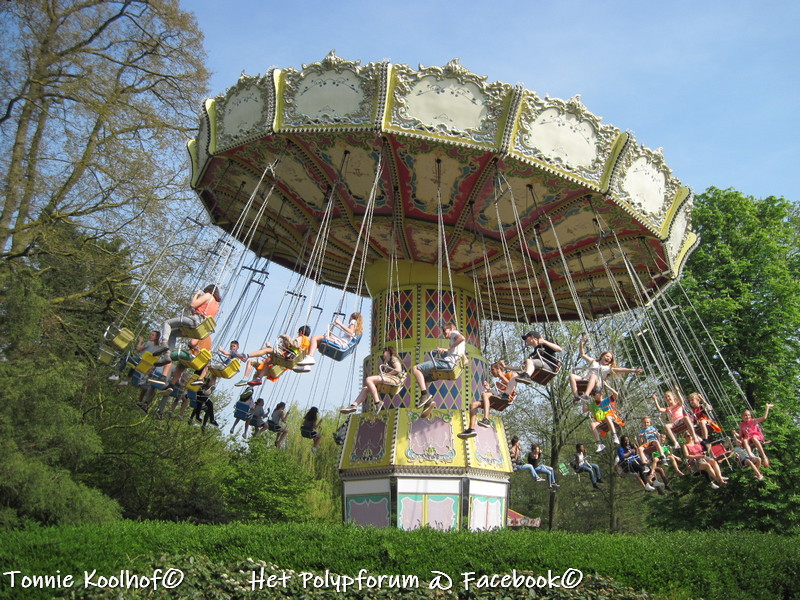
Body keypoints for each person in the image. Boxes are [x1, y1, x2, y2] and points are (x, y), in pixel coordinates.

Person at [569, 335, 643, 403]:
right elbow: (582, 354)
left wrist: (633, 370)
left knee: (593, 376)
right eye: (607, 356)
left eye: (610, 358)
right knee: (571, 375)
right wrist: (581, 343)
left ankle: (586, 395)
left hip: (597, 384)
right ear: (602, 356)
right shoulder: (593, 361)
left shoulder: (608, 368)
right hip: (586, 379)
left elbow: (621, 369)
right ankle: (576, 396)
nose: (608, 359)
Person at [413, 321, 466, 412]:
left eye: (445, 331)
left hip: (448, 364)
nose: (444, 335)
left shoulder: (454, 333)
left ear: (451, 329)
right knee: (424, 379)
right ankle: (428, 402)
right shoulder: (460, 347)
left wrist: (448, 349)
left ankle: (424, 394)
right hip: (451, 366)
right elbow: (465, 359)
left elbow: (462, 338)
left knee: (416, 368)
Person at [154, 285, 221, 356]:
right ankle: (167, 355)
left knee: (167, 323)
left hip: (195, 320)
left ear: (208, 290)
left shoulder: (208, 295)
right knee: (172, 333)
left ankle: (164, 343)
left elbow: (193, 304)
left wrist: (197, 294)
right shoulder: (217, 306)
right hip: (200, 328)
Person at [459, 361, 514, 439]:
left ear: (498, 369)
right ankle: (471, 429)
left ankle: (486, 419)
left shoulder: (508, 375)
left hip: (505, 397)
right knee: (473, 405)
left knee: (485, 395)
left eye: (492, 370)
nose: (492, 372)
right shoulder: (498, 383)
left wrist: (502, 376)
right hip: (498, 397)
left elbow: (512, 386)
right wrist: (489, 389)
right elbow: (495, 393)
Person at [341, 346, 405, 414]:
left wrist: (386, 374)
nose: (383, 355)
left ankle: (377, 402)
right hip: (390, 378)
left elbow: (398, 369)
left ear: (388, 352)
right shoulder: (387, 363)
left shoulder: (393, 359)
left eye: (384, 353)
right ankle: (354, 405)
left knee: (369, 379)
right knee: (365, 388)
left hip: (395, 379)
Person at [503, 331, 562, 396]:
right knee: (514, 375)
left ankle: (527, 376)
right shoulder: (532, 354)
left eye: (526, 338)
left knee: (529, 361)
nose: (525, 340)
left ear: (532, 337)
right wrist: (505, 367)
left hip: (549, 366)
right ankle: (506, 395)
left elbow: (559, 349)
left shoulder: (545, 346)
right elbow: (521, 367)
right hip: (539, 367)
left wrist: (544, 341)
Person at [584, 388, 622, 453]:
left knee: (607, 417)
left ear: (601, 393)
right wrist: (584, 399)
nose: (593, 396)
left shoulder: (606, 400)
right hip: (602, 421)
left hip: (611, 418)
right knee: (592, 424)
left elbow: (616, 394)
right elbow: (584, 410)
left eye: (595, 394)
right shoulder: (593, 404)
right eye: (592, 394)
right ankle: (599, 444)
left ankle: (615, 436)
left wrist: (607, 386)